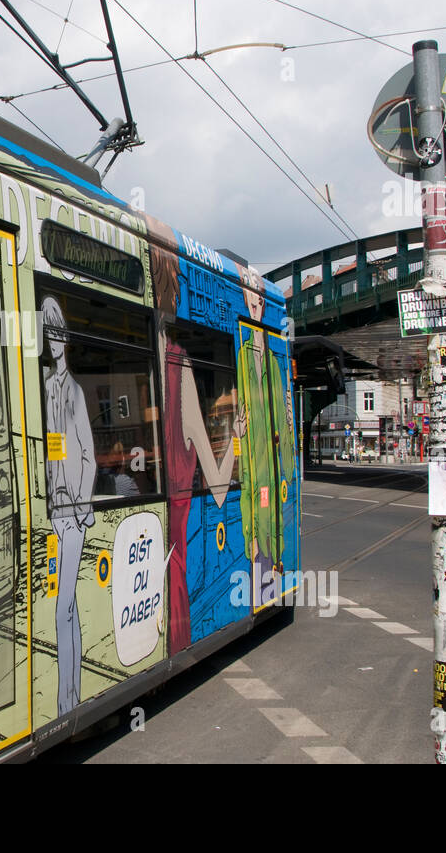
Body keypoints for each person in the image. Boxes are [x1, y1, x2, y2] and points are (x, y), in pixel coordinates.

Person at [146, 218, 246, 654]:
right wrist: (238, 437)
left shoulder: (145, 359)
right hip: (173, 580)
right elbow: (220, 486)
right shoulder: (176, 363)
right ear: (173, 282)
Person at [41, 296, 95, 715]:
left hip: (71, 518)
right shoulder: (45, 388)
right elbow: (52, 449)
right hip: (53, 513)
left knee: (61, 610)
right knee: (71, 607)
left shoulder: (74, 391)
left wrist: (78, 508)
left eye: (58, 333)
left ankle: (64, 705)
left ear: (66, 338)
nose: (53, 341)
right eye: (48, 334)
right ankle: (74, 696)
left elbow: (89, 459)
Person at [237, 265, 296, 583]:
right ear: (246, 301)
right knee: (259, 553)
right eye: (250, 293)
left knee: (273, 536)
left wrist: (288, 421)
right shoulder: (241, 355)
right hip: (252, 474)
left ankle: (272, 571)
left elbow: (284, 434)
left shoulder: (274, 362)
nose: (255, 298)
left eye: (258, 293)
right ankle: (263, 572)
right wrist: (234, 433)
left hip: (271, 479)